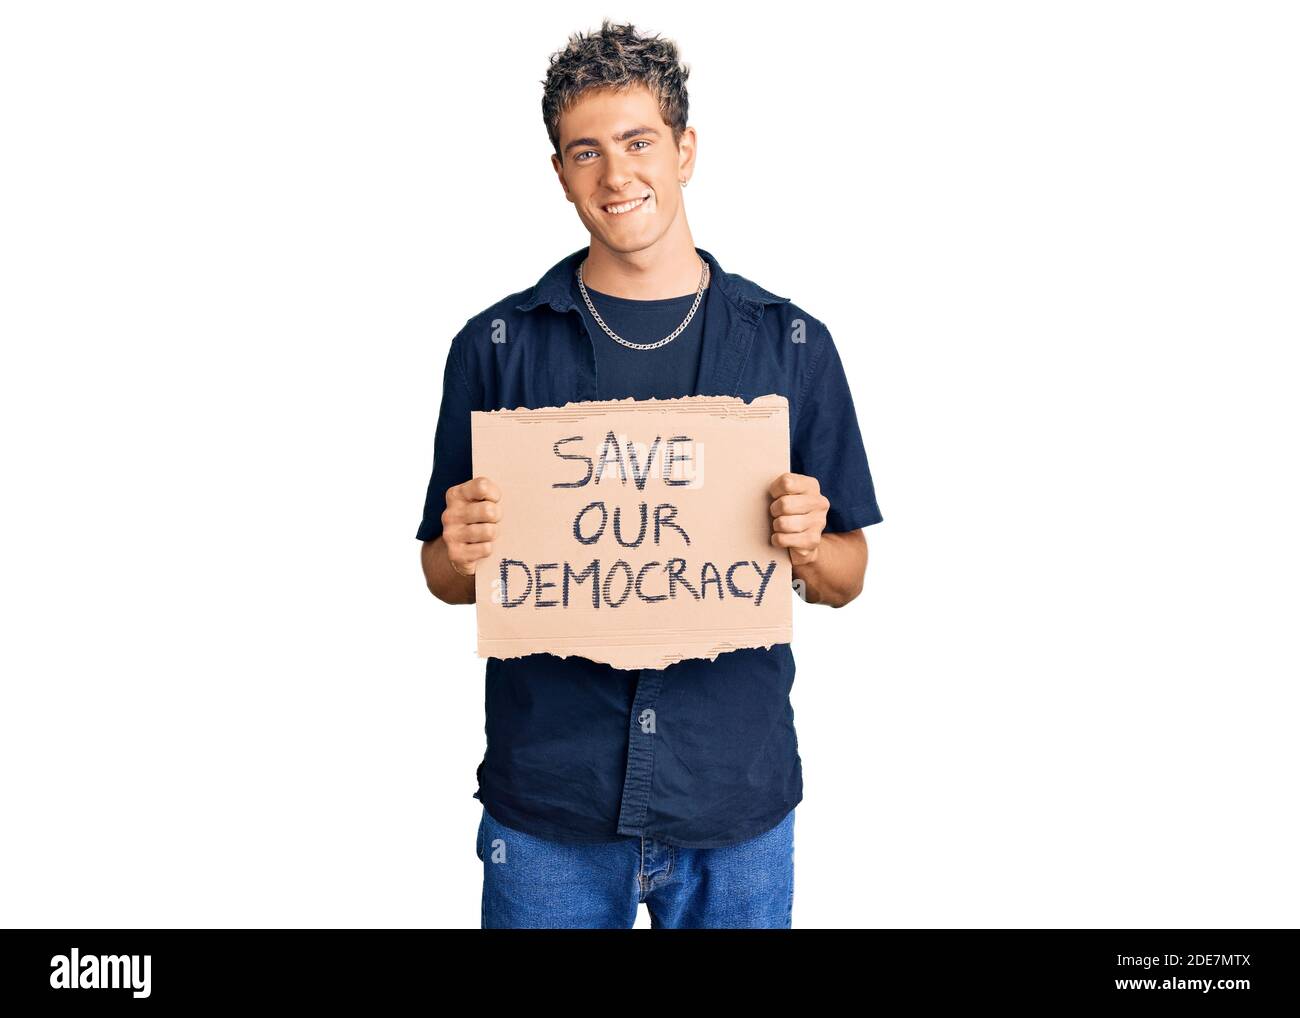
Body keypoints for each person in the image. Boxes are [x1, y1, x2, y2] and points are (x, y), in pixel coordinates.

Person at [417, 19, 882, 928]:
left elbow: (848, 576)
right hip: (549, 806)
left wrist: (808, 546)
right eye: (583, 153)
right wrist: (460, 549)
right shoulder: (495, 348)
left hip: (733, 804)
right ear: (559, 173)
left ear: (684, 150)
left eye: (637, 143)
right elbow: (439, 574)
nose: (615, 176)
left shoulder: (791, 345)